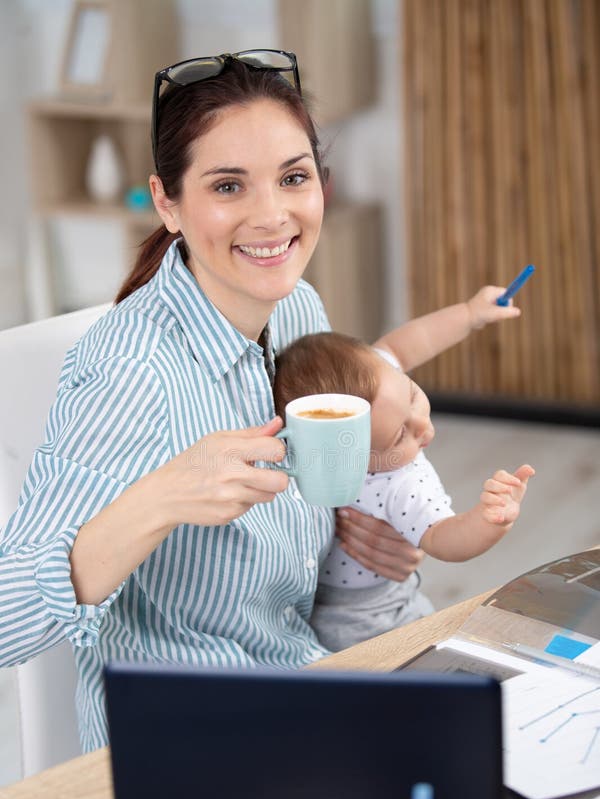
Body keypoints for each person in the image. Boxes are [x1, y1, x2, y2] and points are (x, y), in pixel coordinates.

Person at [0, 51, 429, 753]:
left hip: (307, 680)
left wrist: (357, 538)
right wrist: (162, 496)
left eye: (294, 177)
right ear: (167, 203)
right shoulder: (131, 372)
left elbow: (289, 547)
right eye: (229, 186)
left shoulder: (297, 309)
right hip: (190, 745)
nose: (273, 216)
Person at [273, 299, 534, 651]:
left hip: (326, 597)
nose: (423, 426)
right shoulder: (399, 483)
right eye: (400, 436)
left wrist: (470, 314)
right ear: (351, 456)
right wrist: (490, 521)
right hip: (370, 617)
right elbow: (445, 538)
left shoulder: (377, 387)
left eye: (412, 394)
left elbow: (405, 344)